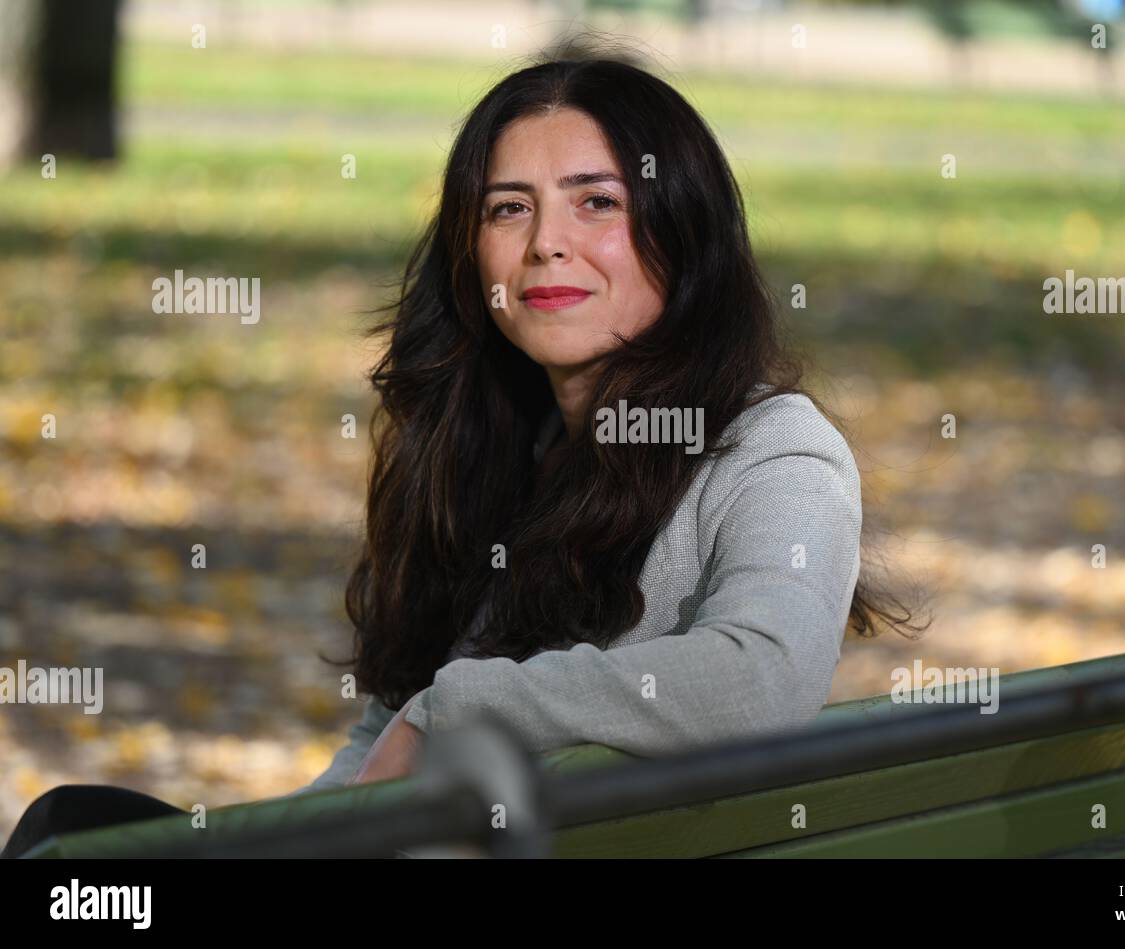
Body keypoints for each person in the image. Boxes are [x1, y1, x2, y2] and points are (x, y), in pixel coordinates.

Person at [2, 41, 926, 858]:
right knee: (74, 833)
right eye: (508, 209)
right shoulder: (496, 453)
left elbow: (756, 679)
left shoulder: (772, 452)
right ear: (469, 252)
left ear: (685, 235)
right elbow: (388, 729)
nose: (546, 246)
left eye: (596, 202)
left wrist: (464, 703)